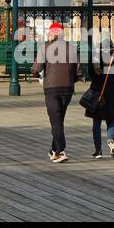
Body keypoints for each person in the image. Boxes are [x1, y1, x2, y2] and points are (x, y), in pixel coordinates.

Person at [32, 22, 83, 163]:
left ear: (52, 34)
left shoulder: (45, 48)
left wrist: (37, 75)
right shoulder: (71, 49)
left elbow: (36, 69)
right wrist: (71, 80)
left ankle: (61, 151)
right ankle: (53, 150)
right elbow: (79, 71)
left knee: (55, 120)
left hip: (51, 88)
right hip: (67, 89)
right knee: (59, 120)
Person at [84, 41, 114, 159]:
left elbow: (90, 73)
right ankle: (110, 140)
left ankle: (98, 150)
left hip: (97, 91)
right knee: (111, 120)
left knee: (96, 122)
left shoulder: (95, 57)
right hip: (112, 92)